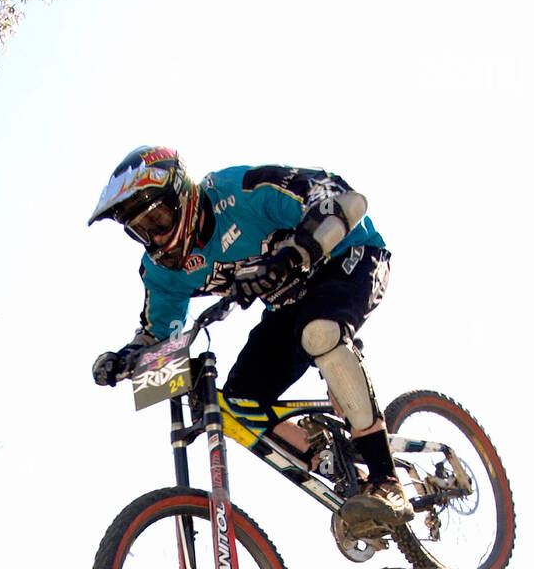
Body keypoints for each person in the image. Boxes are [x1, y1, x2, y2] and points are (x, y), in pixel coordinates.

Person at [88, 147, 413, 535]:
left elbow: (349, 202)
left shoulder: (242, 191)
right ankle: (338, 469)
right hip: (288, 303)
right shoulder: (162, 272)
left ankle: (386, 481)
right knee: (237, 406)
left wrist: (292, 254)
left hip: (350, 258)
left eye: (157, 218)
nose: (155, 236)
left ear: (184, 195)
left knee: (319, 332)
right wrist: (127, 360)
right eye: (141, 229)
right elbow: (161, 335)